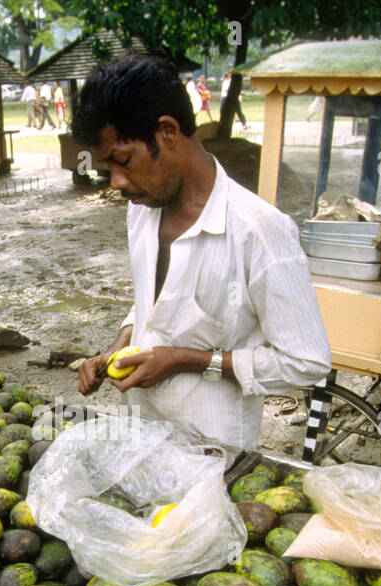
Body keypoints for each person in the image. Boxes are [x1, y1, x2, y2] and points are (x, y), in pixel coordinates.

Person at [72, 56, 331, 451]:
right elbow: (156, 302)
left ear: (168, 132)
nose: (117, 181)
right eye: (108, 166)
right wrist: (115, 348)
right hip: (141, 439)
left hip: (213, 455)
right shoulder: (141, 211)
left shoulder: (259, 232)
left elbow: (306, 362)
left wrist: (184, 360)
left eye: (123, 161)